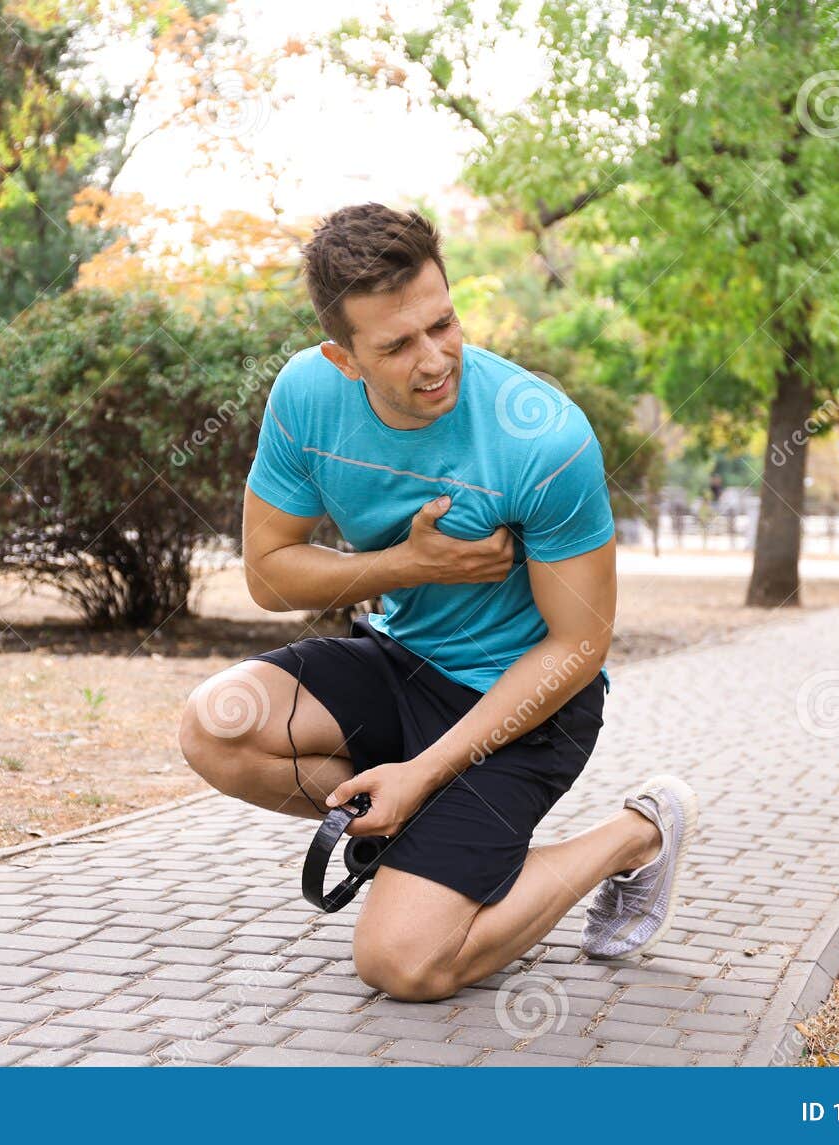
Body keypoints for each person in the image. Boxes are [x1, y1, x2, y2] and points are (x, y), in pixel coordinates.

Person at [178, 203, 699, 1003]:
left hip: (528, 704)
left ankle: (637, 833)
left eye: (443, 323)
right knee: (215, 724)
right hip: (403, 661)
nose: (433, 361)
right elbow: (269, 576)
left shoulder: (543, 439)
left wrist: (422, 775)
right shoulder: (307, 396)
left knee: (405, 965)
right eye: (396, 345)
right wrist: (408, 564)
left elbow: (580, 644)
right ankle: (437, 851)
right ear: (343, 358)